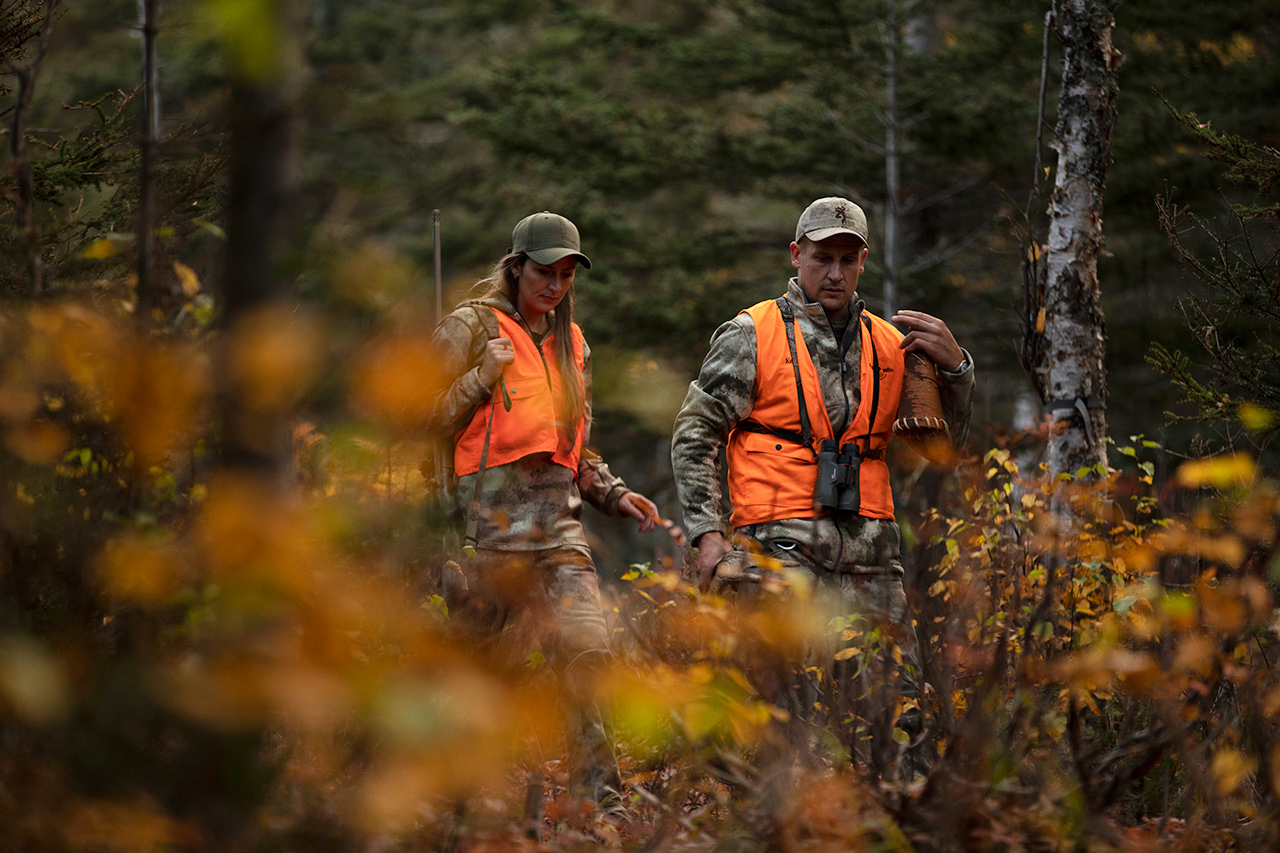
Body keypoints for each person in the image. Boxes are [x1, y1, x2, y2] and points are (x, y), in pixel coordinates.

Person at [670, 197, 974, 776]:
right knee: (779, 720)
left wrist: (957, 371)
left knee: (900, 718)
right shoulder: (750, 333)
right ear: (796, 255)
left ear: (863, 262)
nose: (834, 273)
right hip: (777, 550)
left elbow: (943, 452)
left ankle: (895, 817)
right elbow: (696, 432)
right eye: (821, 258)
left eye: (847, 260)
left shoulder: (894, 346)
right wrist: (707, 533)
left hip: (872, 561)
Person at [427, 211, 660, 804]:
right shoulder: (469, 327)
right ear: (516, 267)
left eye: (566, 275)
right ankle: (455, 804)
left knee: (588, 654)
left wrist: (614, 493)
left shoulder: (574, 344)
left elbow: (572, 448)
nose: (555, 286)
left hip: (560, 533)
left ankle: (600, 801)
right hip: (485, 537)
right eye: (543, 272)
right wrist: (481, 377)